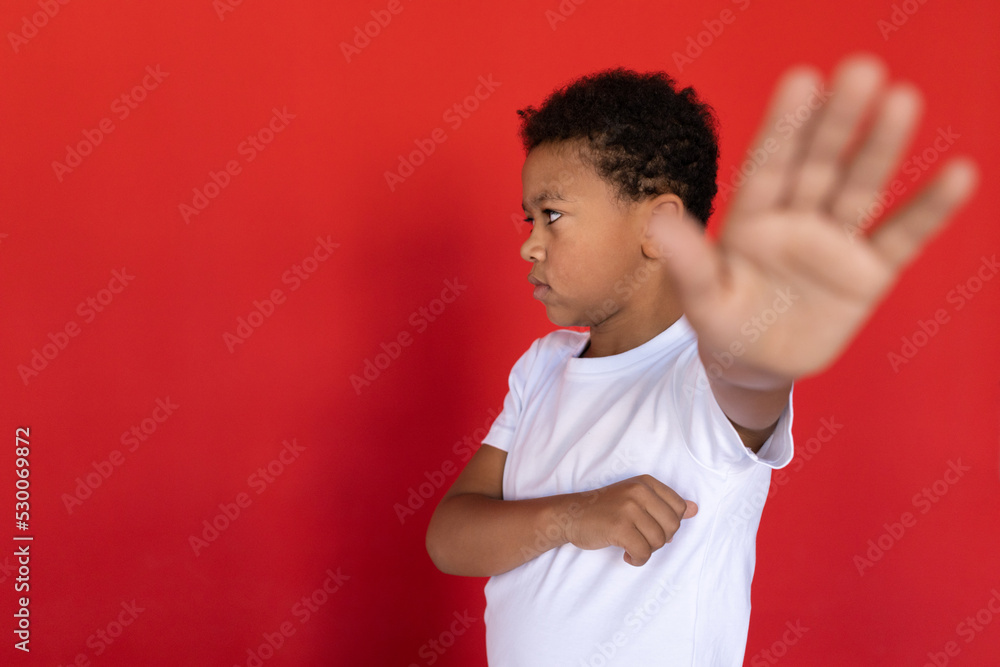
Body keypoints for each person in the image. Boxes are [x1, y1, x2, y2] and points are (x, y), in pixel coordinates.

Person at [425, 53, 978, 665]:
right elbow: (451, 536)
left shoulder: (707, 376)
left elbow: (748, 383)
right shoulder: (542, 366)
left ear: (659, 228)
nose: (529, 243)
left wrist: (765, 351)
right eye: (529, 218)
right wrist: (573, 516)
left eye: (553, 216)